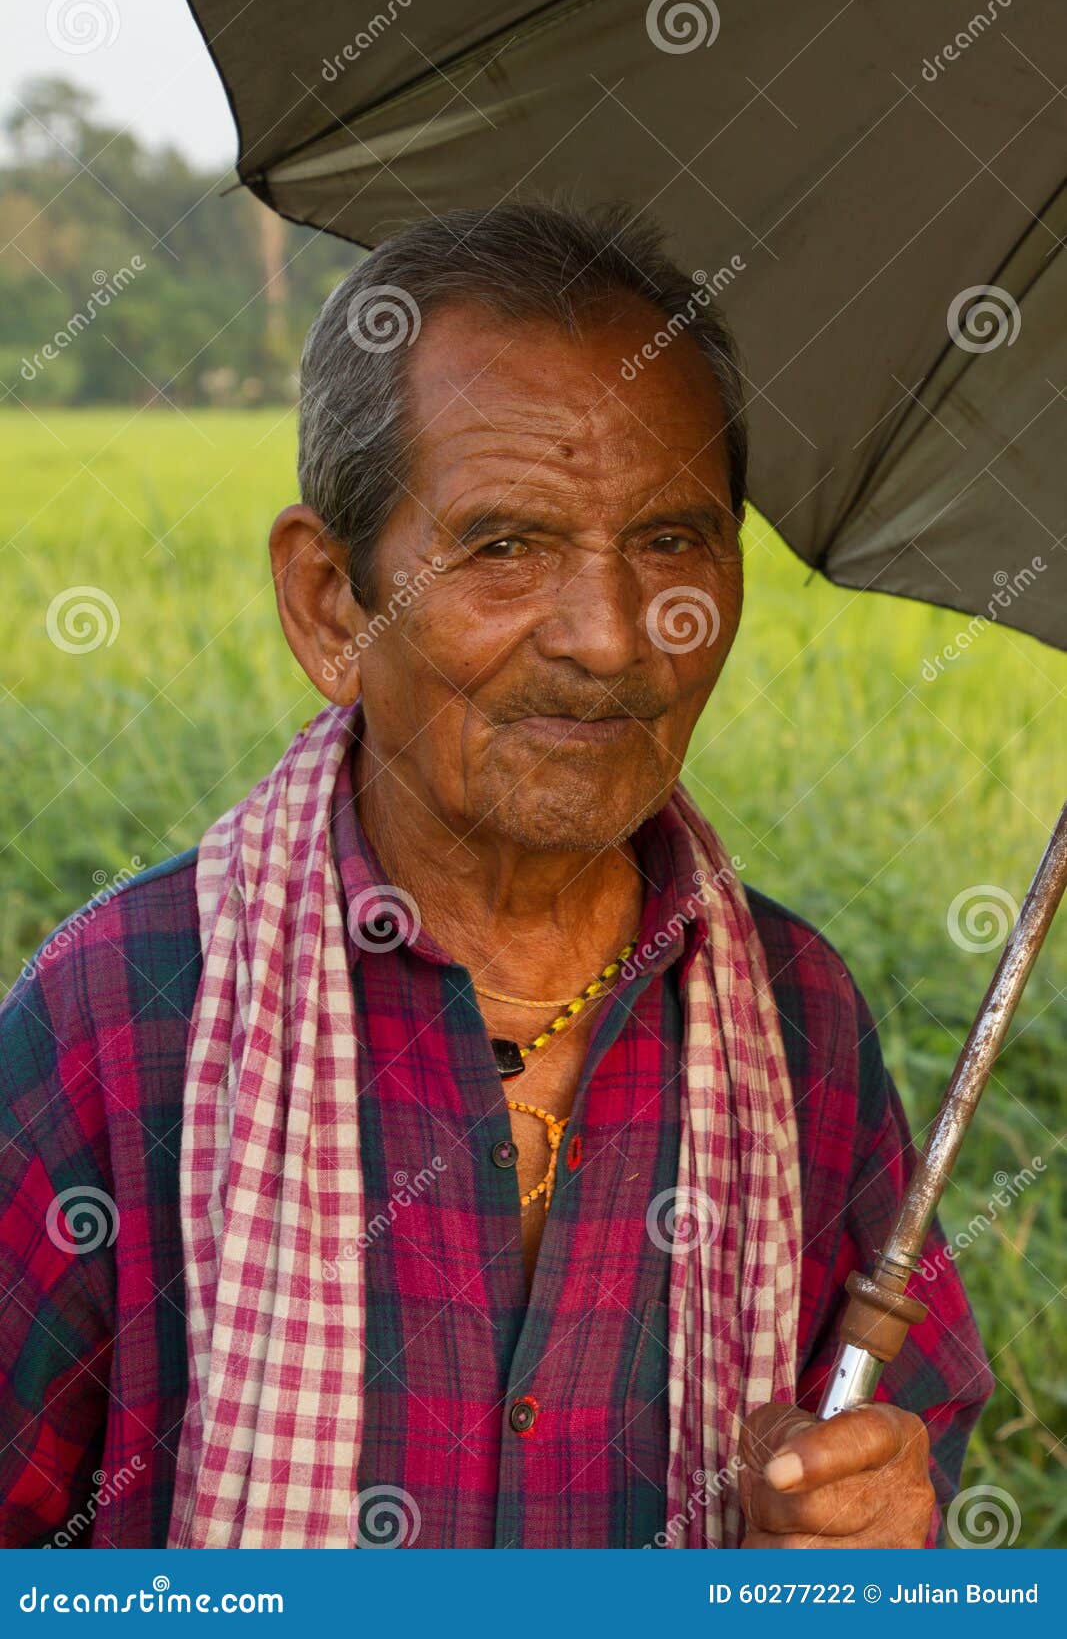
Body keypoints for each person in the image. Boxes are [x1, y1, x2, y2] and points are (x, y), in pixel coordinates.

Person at [0, 201, 991, 1550]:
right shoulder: (122, 1013)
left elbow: (895, 1476)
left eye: (671, 542)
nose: (610, 637)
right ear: (332, 603)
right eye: (506, 546)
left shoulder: (797, 1017)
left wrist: (870, 1541)